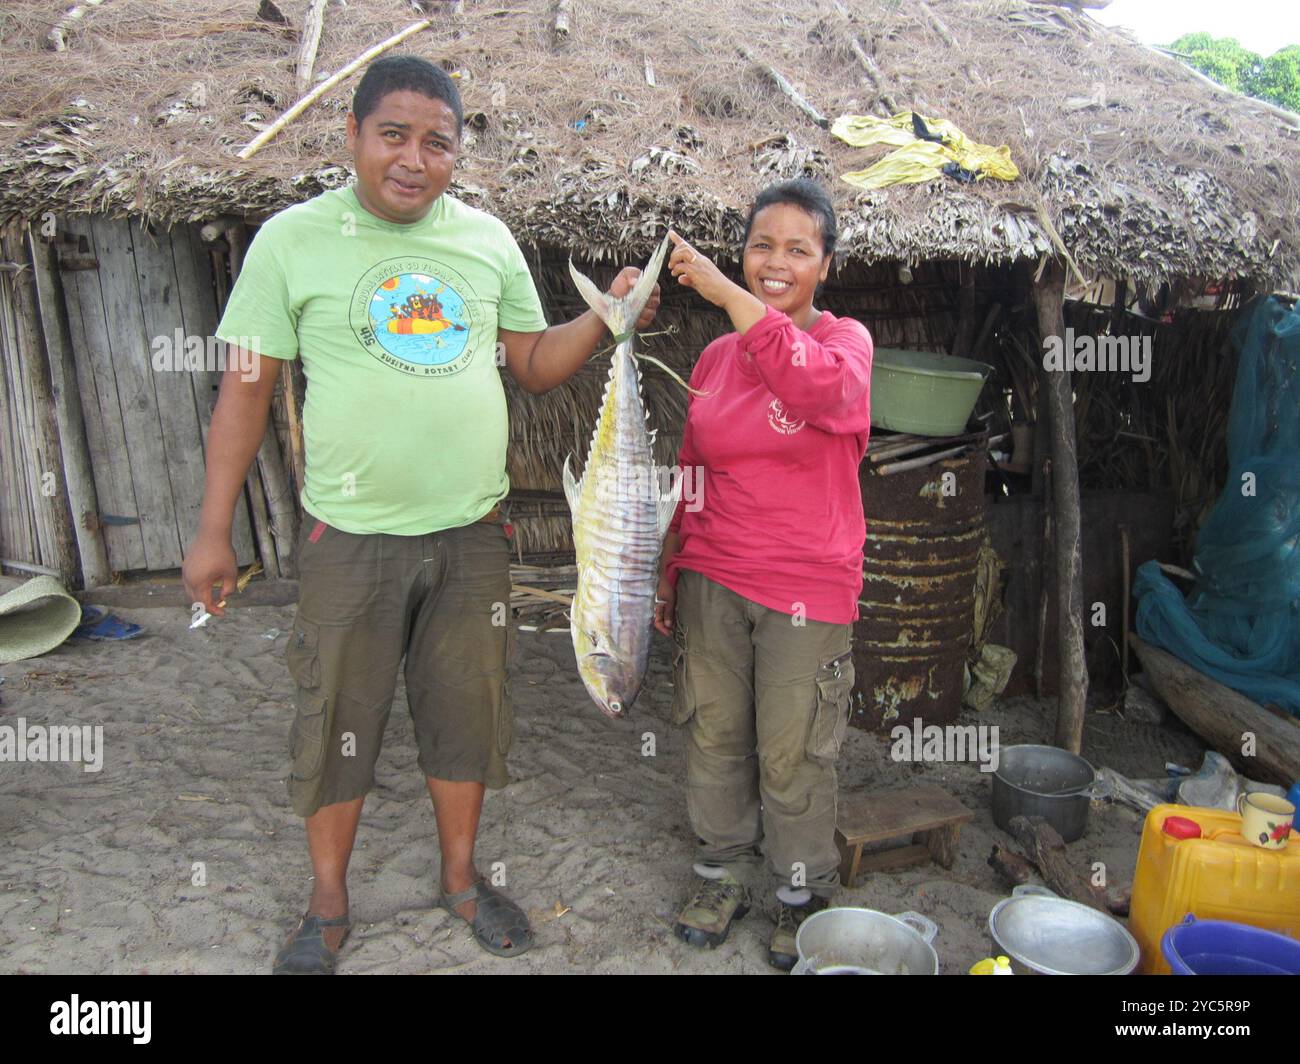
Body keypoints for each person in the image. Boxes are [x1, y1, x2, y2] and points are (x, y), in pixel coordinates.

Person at [181, 55, 658, 974]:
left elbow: (533, 364)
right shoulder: (291, 241)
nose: (413, 158)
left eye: (436, 142)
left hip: (472, 536)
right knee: (336, 713)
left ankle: (463, 880)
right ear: (353, 136)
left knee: (467, 710)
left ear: (457, 152)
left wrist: (607, 320)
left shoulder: (485, 240)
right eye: (393, 135)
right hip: (349, 538)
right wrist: (213, 531)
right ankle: (327, 903)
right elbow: (244, 391)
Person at [654, 179, 872, 970]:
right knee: (713, 733)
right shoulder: (715, 358)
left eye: (797, 250)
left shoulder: (845, 344)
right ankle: (719, 875)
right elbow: (692, 467)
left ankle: (800, 892)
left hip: (806, 589)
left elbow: (817, 388)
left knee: (793, 749)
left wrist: (723, 292)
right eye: (761, 247)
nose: (776, 263)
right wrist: (671, 567)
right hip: (713, 577)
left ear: (825, 264)